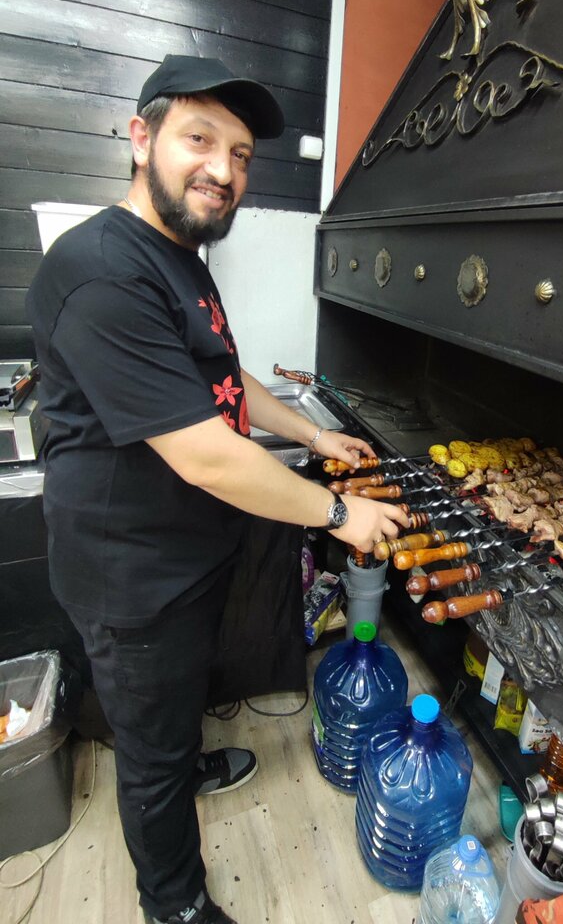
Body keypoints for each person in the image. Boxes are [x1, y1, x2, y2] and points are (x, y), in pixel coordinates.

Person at [26, 54, 409, 924]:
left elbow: (224, 374)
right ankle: (176, 906)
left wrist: (313, 433)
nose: (224, 171)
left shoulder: (177, 256)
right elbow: (205, 454)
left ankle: (181, 759)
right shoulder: (98, 272)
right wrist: (339, 512)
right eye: (200, 140)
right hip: (132, 575)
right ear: (140, 137)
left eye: (240, 156)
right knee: (150, 756)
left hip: (183, 555)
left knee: (173, 708)